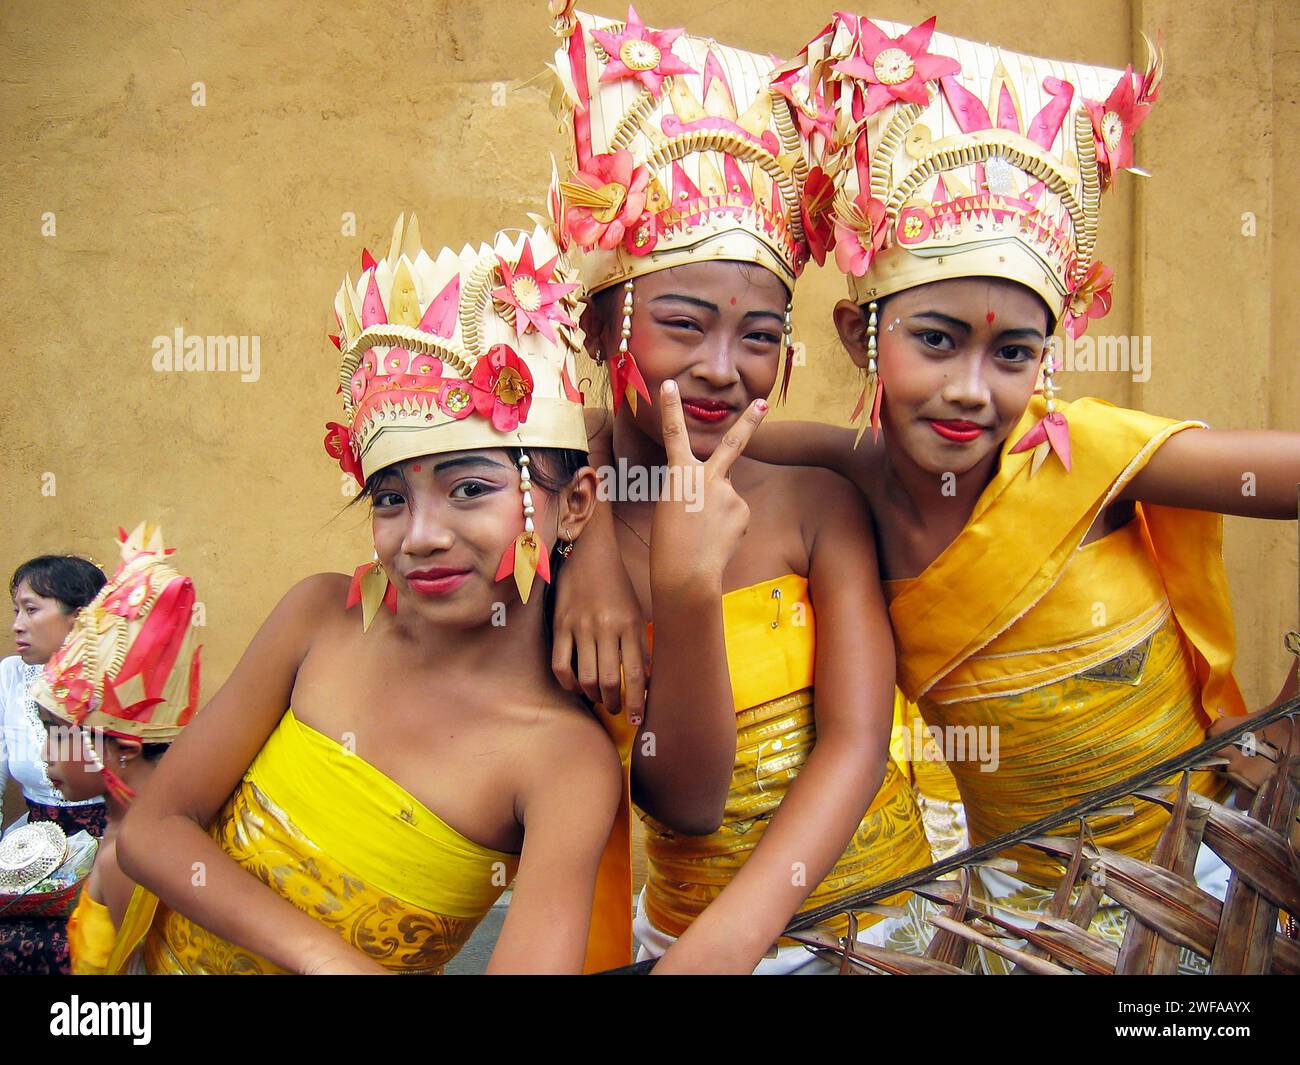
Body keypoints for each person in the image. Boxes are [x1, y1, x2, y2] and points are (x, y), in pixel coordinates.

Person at [747, 14, 1300, 968]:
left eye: (1012, 352)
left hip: (1202, 894)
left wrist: (1289, 726)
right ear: (856, 334)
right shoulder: (848, 486)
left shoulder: (1081, 454)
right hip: (1015, 923)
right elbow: (690, 445)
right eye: (935, 340)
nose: (970, 388)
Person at [117, 218, 632, 974]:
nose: (419, 534)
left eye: (468, 487)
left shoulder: (563, 763)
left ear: (577, 503)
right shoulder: (321, 618)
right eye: (390, 498)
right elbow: (153, 830)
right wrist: (330, 962)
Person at [549, 6, 934, 974]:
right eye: (683, 325)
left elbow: (853, 750)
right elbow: (682, 801)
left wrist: (720, 950)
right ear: (600, 335)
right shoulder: (553, 538)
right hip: (676, 937)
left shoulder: (814, 514)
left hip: (879, 936)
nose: (725, 370)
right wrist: (645, 569)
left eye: (759, 337)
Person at [28, 523, 203, 975]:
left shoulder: (128, 855)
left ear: (123, 747)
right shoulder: (134, 832)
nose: (45, 752)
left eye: (56, 730)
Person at [0, 553, 106, 975]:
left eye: (31, 609)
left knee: (81, 947)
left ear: (78, 619)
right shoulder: (10, 675)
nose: (16, 625)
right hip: (27, 849)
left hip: (106, 844)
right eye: (15, 610)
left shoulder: (119, 684)